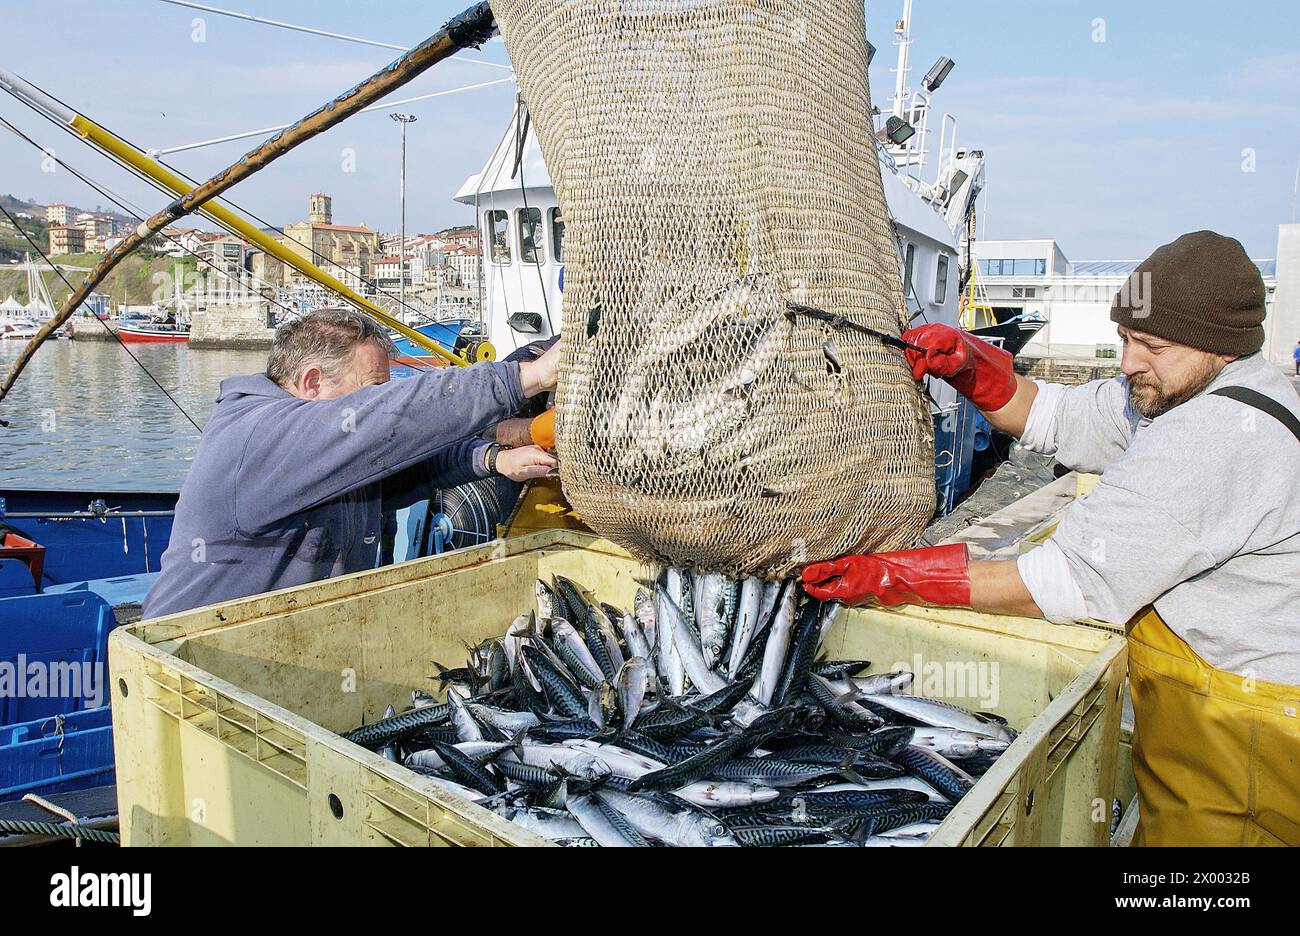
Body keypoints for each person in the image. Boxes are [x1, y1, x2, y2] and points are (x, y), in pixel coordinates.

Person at [803, 231, 1300, 846]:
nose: (1126, 363)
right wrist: (973, 367)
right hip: (1209, 708)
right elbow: (1059, 418)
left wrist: (890, 574)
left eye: (1151, 346)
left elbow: (1057, 583)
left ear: (1219, 348)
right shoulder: (1195, 392)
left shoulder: (1217, 436)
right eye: (1123, 338)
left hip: (1250, 734)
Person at [143, 309, 559, 619]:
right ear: (311, 382)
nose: (381, 399)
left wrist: (494, 459)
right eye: (372, 392)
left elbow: (402, 467)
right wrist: (528, 376)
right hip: (193, 666)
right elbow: (394, 417)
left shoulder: (327, 456)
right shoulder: (257, 436)